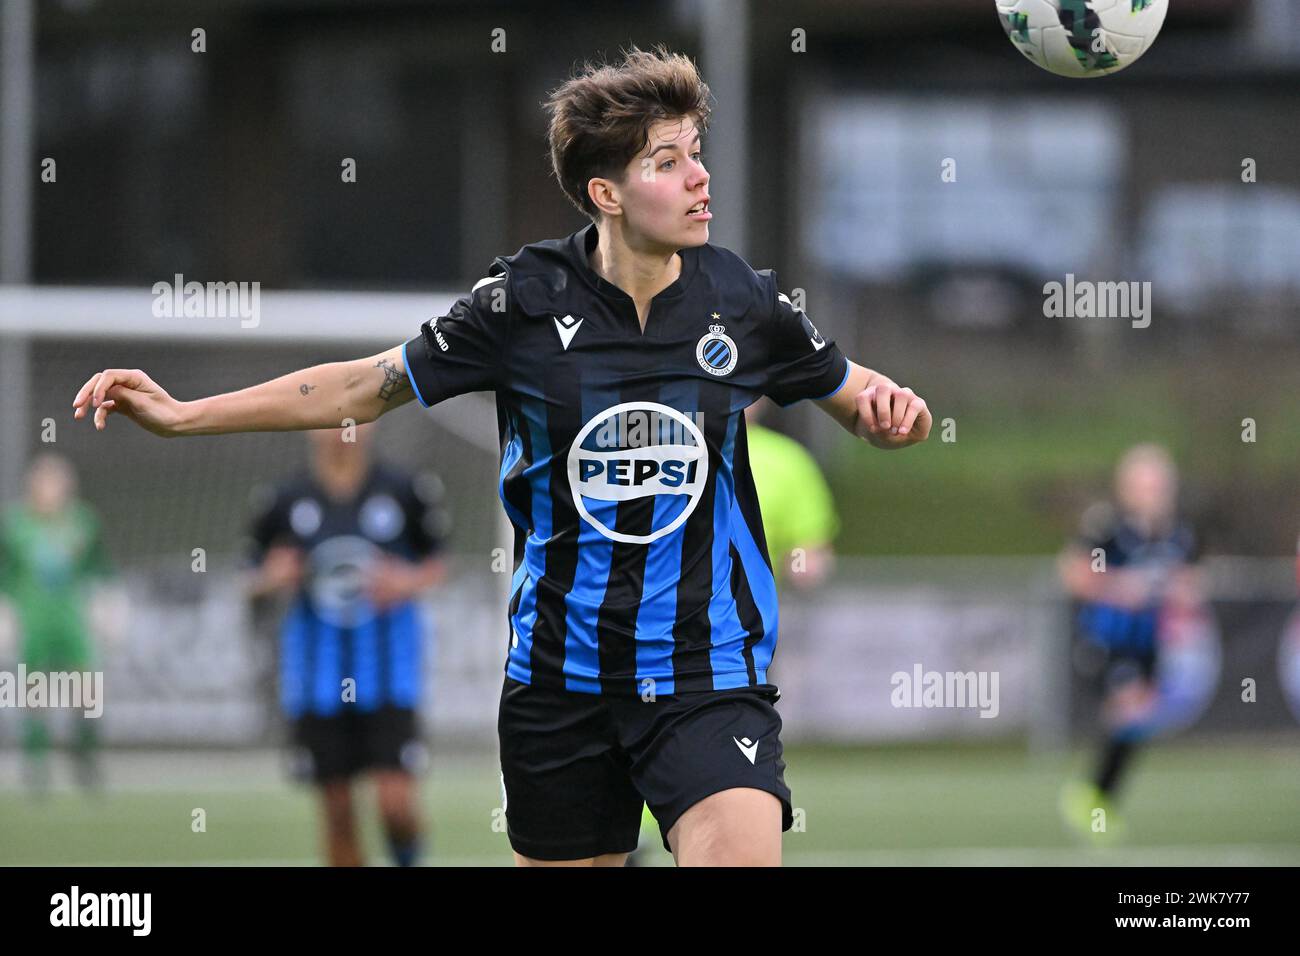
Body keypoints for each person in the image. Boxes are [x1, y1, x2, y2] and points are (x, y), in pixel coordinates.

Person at [70, 45, 931, 866]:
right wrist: (185, 415)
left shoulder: (743, 299)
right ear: (608, 192)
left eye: (696, 153)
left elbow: (854, 395)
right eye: (669, 162)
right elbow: (363, 388)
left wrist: (896, 414)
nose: (701, 177)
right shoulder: (519, 301)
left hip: (708, 673)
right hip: (560, 678)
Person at [245, 421, 447, 866]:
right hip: (317, 678)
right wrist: (271, 578)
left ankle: (410, 858)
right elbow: (250, 576)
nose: (342, 430)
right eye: (329, 419)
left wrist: (407, 580)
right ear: (309, 425)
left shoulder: (404, 489)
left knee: (395, 804)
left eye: (353, 417)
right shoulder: (284, 499)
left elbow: (437, 563)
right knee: (337, 812)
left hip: (390, 674)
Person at [1056, 443, 1202, 839]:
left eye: (1161, 484)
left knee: (1136, 720)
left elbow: (1189, 582)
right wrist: (1120, 587)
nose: (1155, 492)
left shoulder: (1178, 534)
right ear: (1127, 486)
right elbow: (1072, 573)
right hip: (1105, 640)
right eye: (1147, 484)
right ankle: (1091, 798)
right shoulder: (1107, 528)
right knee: (1129, 704)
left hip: (1147, 645)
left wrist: (1178, 590)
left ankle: (1096, 798)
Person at [0, 453, 113, 793]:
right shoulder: (15, 525)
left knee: (85, 691)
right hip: (34, 620)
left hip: (71, 620)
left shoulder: (83, 521)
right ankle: (36, 765)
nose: (53, 490)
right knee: (35, 695)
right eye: (46, 482)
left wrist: (107, 604)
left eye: (59, 483)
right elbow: (5, 574)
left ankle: (85, 759)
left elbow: (99, 569)